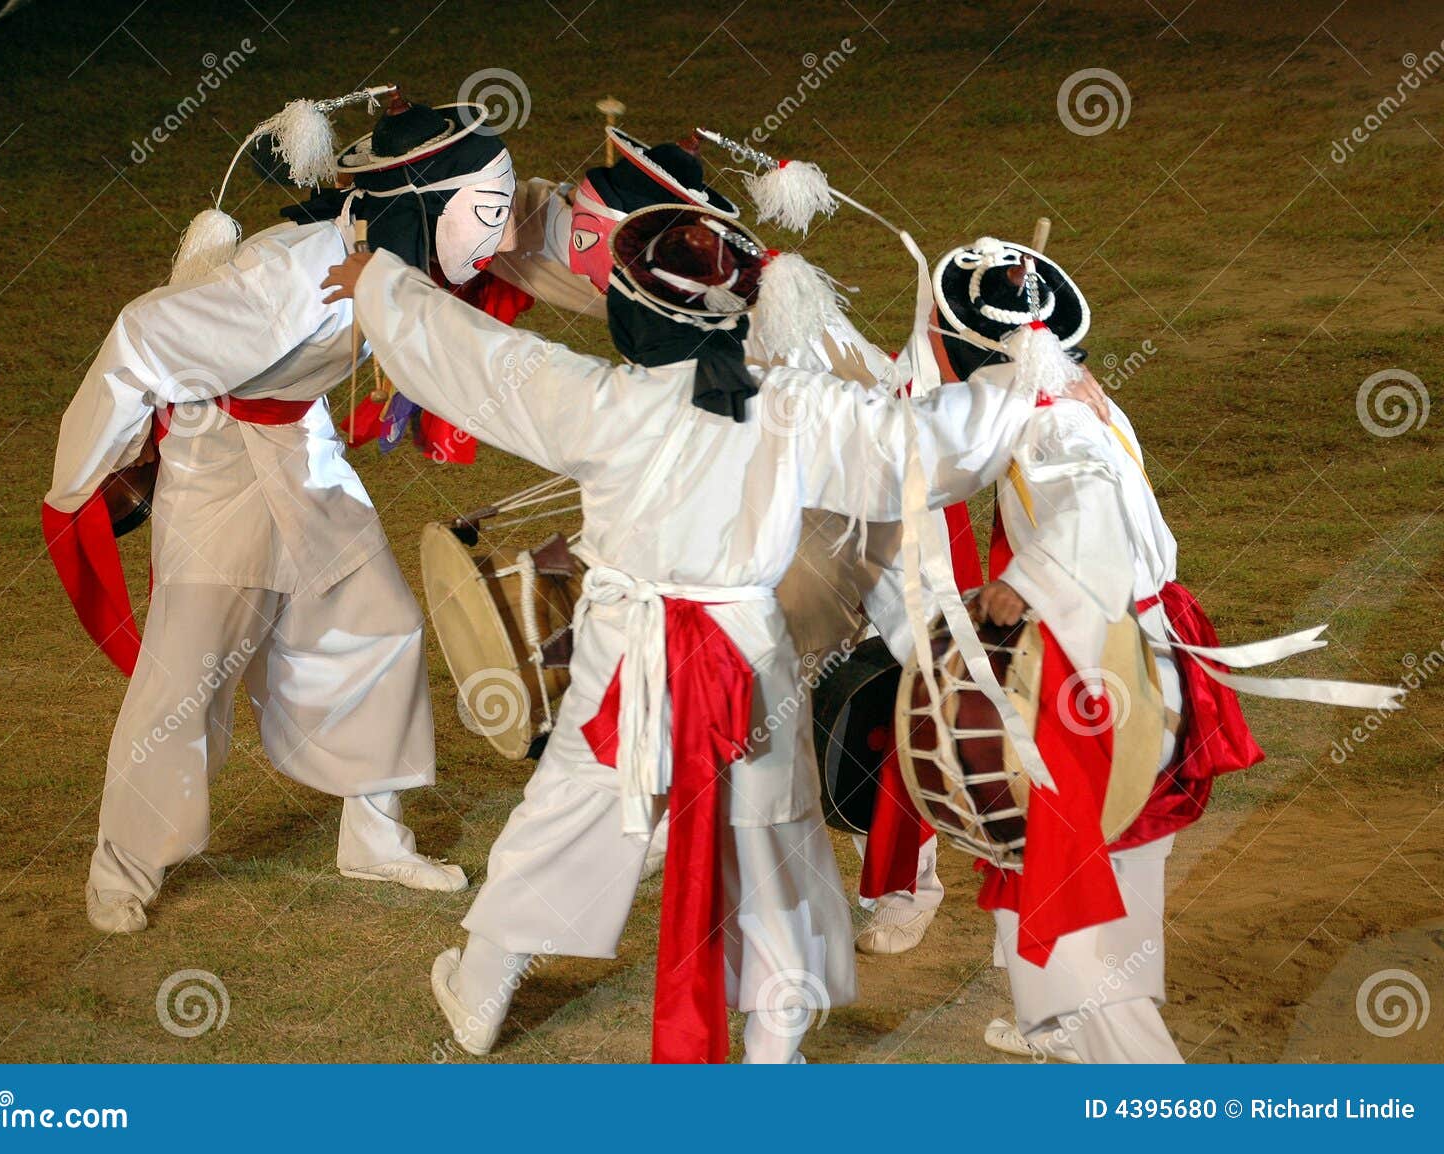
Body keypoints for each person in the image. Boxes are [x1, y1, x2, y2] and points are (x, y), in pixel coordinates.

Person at [324, 203, 1078, 1062]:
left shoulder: (597, 399)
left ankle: (482, 987)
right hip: (748, 658)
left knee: (570, 809)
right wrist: (1020, 367)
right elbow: (923, 448)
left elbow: (480, 359)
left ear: (630, 313)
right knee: (770, 833)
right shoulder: (795, 407)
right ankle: (776, 1037)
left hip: (625, 652)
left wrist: (379, 284)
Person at [42, 91, 517, 933]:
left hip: (301, 450)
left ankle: (374, 835)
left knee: (382, 624)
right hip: (214, 462)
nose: (499, 232)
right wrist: (92, 475)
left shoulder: (380, 256)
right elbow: (142, 338)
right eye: (488, 212)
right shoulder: (290, 275)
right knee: (187, 671)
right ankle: (121, 864)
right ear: (427, 209)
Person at [926, 235, 1399, 1062]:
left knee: (1071, 897)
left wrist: (1025, 581)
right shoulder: (1078, 398)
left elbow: (1092, 503)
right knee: (1085, 867)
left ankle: (1143, 1080)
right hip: (1141, 652)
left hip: (1102, 674)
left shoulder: (1043, 425)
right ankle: (1064, 1028)